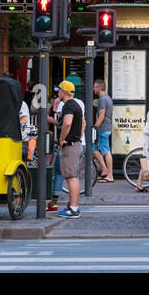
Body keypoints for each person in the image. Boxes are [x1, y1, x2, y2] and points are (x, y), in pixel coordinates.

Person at [55, 80, 85, 218]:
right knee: (73, 177)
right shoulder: (76, 105)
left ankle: (73, 209)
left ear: (65, 92)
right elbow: (83, 123)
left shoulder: (68, 105)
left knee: (71, 178)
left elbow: (67, 123)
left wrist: (62, 139)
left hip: (70, 146)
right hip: (76, 144)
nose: (58, 93)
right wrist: (78, 135)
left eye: (59, 91)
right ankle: (73, 206)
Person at [91, 79, 114, 183]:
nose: (93, 89)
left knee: (106, 151)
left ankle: (110, 175)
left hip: (103, 129)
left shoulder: (102, 100)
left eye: (95, 87)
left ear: (99, 88)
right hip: (105, 128)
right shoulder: (107, 98)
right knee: (94, 148)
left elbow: (101, 116)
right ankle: (104, 170)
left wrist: (94, 127)